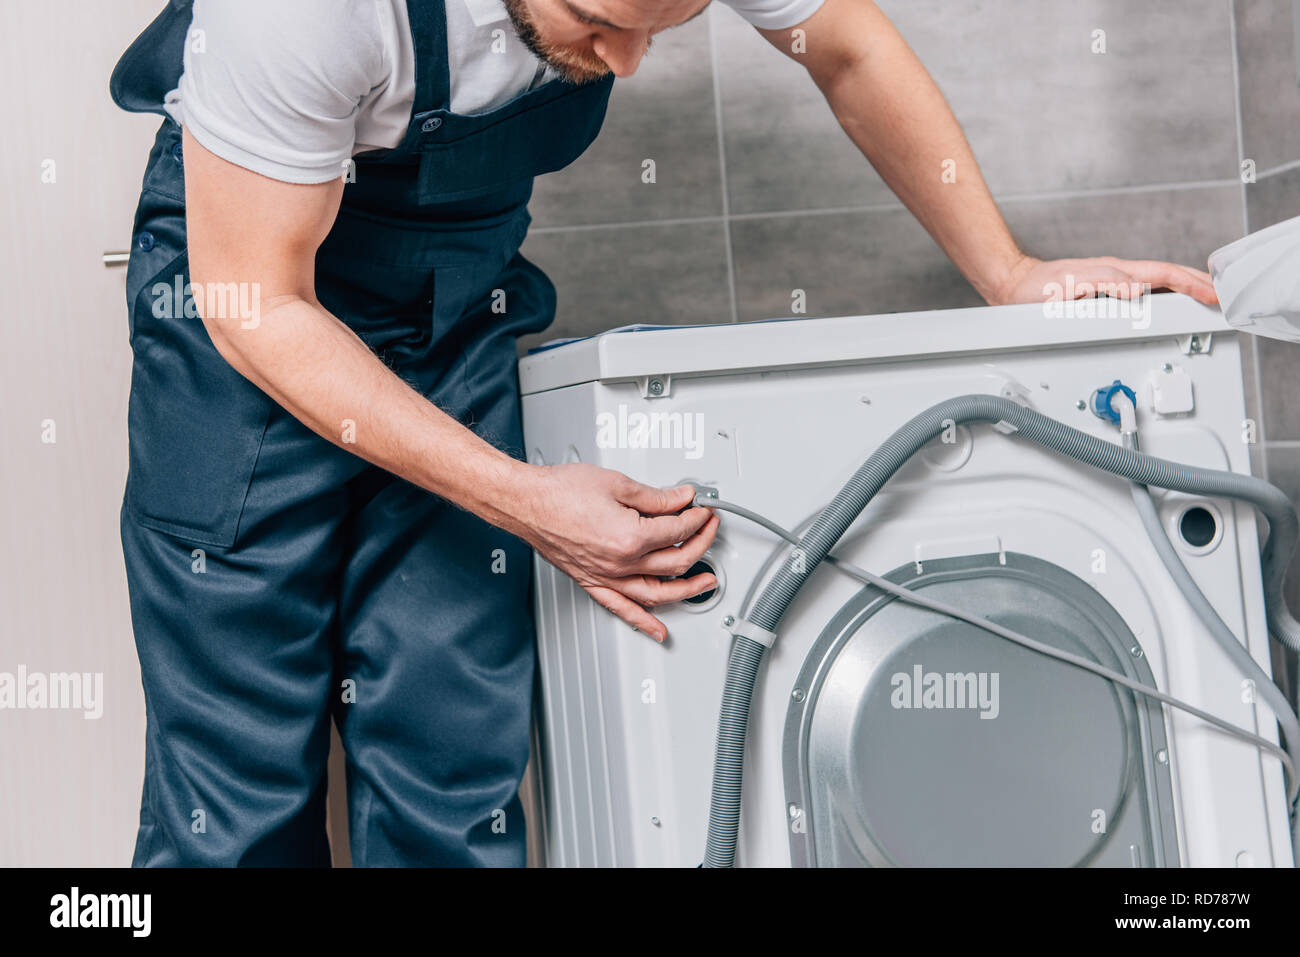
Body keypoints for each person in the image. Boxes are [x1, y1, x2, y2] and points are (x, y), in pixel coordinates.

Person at [110, 0, 1219, 867]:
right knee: (237, 778)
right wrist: (527, 502)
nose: (629, 64)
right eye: (600, 28)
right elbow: (263, 304)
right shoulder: (302, 14)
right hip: (247, 332)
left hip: (453, 316)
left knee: (453, 746)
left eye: (661, 29)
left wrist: (1008, 274)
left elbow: (843, 46)